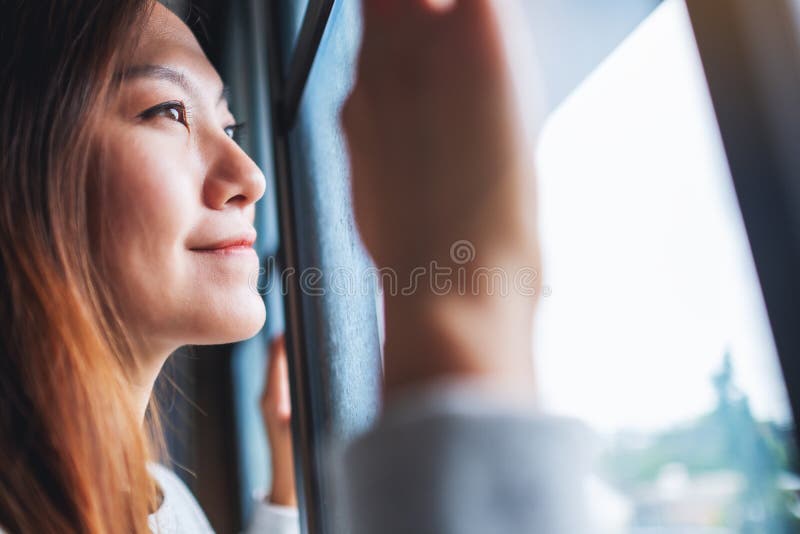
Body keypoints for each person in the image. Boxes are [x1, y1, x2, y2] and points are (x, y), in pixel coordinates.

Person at [0, 0, 592, 532]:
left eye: (231, 126)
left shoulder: (157, 498)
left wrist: (286, 485)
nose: (250, 177)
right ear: (21, 162)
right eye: (168, 112)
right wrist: (460, 324)